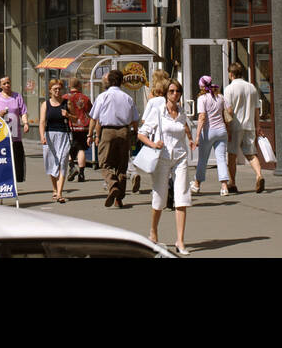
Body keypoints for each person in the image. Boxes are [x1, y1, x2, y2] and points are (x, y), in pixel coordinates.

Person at [137, 77, 195, 255]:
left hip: (180, 157)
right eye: (171, 91)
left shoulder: (182, 111)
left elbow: (185, 127)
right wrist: (154, 144)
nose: (175, 94)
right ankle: (153, 232)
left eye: (177, 91)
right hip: (162, 158)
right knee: (160, 197)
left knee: (182, 197)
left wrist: (191, 139)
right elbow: (141, 134)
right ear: (166, 93)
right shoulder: (158, 112)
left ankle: (180, 241)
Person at [88, 69, 140, 209]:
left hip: (108, 131)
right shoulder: (127, 97)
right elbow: (135, 119)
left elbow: (94, 118)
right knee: (121, 165)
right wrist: (135, 132)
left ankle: (112, 185)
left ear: (109, 81)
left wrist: (90, 134)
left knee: (105, 162)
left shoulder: (103, 96)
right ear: (121, 82)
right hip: (124, 131)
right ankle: (119, 198)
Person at [224, 61, 265, 193]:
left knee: (232, 155)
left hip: (235, 126)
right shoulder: (251, 87)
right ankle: (259, 175)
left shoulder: (229, 89)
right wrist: (258, 126)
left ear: (231, 74)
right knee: (251, 153)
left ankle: (232, 183)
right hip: (250, 124)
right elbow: (257, 109)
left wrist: (227, 126)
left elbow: (229, 110)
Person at [192, 75, 230, 196]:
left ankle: (197, 184)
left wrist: (197, 136)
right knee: (221, 159)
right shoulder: (220, 97)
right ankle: (224, 187)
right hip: (222, 130)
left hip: (209, 131)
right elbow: (229, 111)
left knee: (203, 159)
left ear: (201, 86)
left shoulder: (202, 98)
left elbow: (202, 117)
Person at [0, 76, 30, 185]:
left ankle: (14, 185)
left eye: (8, 83)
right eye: (4, 83)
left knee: (16, 162)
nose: (7, 85)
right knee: (3, 161)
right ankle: (3, 184)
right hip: (1, 137)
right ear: (0, 86)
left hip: (15, 136)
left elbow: (23, 111)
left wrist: (26, 123)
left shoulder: (17, 97)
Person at [40, 78, 72, 202]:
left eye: (59, 89)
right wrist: (42, 136)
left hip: (64, 135)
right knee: (51, 163)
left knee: (63, 162)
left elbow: (75, 119)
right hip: (50, 135)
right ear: (50, 91)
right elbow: (42, 122)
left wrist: (68, 115)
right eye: (55, 89)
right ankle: (54, 188)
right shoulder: (45, 104)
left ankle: (59, 193)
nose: (58, 91)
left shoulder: (66, 103)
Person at [65, 77, 92, 183]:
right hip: (83, 126)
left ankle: (72, 167)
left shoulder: (65, 97)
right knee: (81, 149)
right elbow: (91, 111)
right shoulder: (85, 98)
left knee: (68, 149)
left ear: (69, 85)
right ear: (79, 86)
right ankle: (81, 173)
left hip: (70, 126)